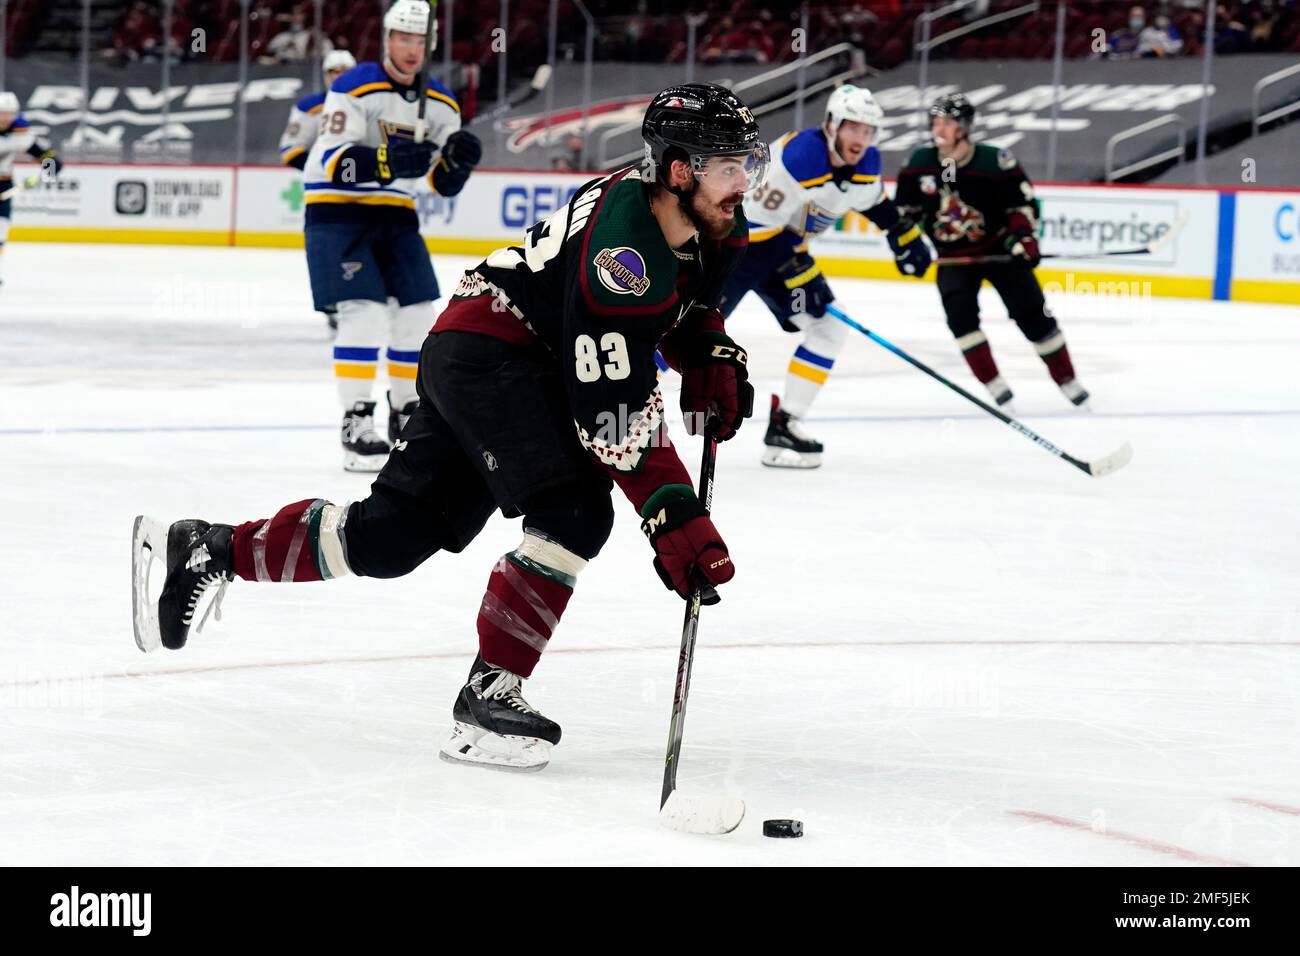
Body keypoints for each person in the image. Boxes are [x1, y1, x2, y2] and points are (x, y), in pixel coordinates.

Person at [130, 83, 768, 773]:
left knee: (392, 536)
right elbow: (610, 405)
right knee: (575, 510)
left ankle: (207, 549)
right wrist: (670, 512)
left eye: (747, 163)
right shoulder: (625, 255)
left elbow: (685, 303)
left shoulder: (707, 223)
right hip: (495, 355)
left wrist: (706, 345)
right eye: (729, 166)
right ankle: (489, 697)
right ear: (679, 170)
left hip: (485, 347)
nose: (745, 183)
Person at [303, 0, 481, 471]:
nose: (410, 48)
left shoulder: (442, 103)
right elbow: (329, 161)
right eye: (402, 38)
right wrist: (384, 161)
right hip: (338, 213)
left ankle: (406, 413)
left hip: (397, 216)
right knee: (363, 312)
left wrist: (457, 164)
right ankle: (356, 419)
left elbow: (439, 183)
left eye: (419, 40)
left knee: (418, 312)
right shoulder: (353, 86)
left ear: (430, 45)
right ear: (387, 39)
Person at [719, 85, 930, 468]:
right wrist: (799, 272)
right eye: (853, 128)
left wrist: (904, 234)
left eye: (868, 131)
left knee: (828, 327)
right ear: (832, 125)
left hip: (778, 250)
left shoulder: (863, 163)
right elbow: (759, 225)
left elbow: (873, 202)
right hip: (731, 247)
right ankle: (615, 411)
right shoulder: (803, 157)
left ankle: (785, 425)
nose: (860, 139)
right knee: (685, 332)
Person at [895, 93, 1089, 412]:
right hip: (952, 256)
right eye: (935, 122)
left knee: (1034, 316)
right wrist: (906, 246)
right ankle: (993, 382)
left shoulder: (994, 161)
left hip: (1000, 250)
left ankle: (1067, 379)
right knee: (960, 318)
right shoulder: (919, 164)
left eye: (947, 122)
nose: (939, 129)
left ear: (964, 128)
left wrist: (1024, 239)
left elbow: (1020, 205)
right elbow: (906, 214)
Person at [279, 48, 357, 333]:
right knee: (328, 247)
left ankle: (361, 300)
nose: (338, 77)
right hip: (326, 192)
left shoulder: (371, 102)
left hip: (363, 189)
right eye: (333, 71)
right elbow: (290, 148)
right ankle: (333, 303)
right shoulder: (310, 106)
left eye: (344, 71)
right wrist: (324, 169)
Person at [0, 91, 63, 288]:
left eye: (9, 113)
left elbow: (50, 159)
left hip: (3, 185)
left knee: (0, 231)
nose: (5, 117)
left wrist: (48, 172)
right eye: (1, 113)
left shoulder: (21, 134)